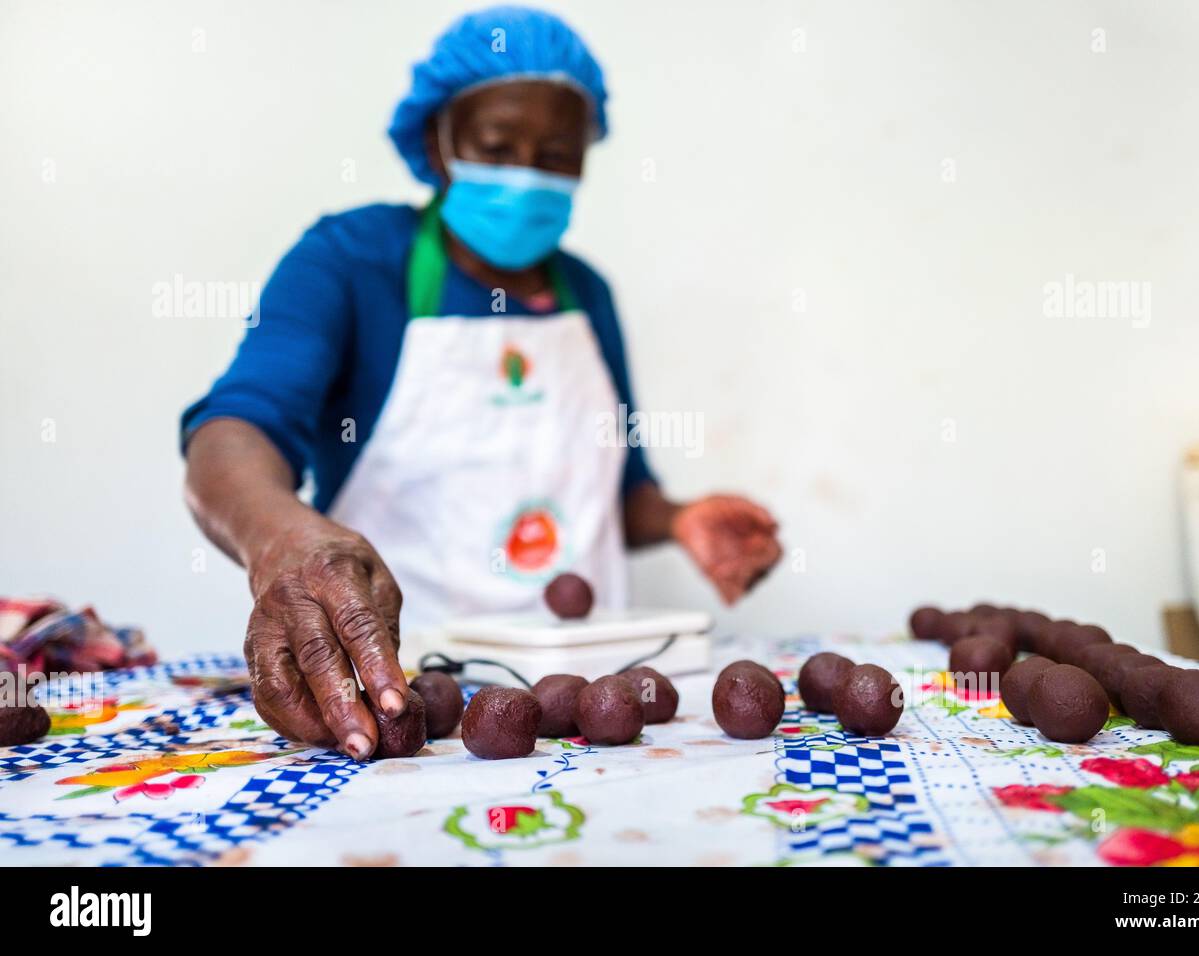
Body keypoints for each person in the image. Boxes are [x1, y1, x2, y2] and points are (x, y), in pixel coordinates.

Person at [181, 6, 781, 761]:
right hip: (404, 699)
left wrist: (680, 518)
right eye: (499, 146)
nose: (528, 174)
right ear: (438, 143)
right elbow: (232, 434)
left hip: (590, 708)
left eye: (557, 154)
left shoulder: (586, 295)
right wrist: (281, 540)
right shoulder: (353, 260)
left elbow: (617, 497)